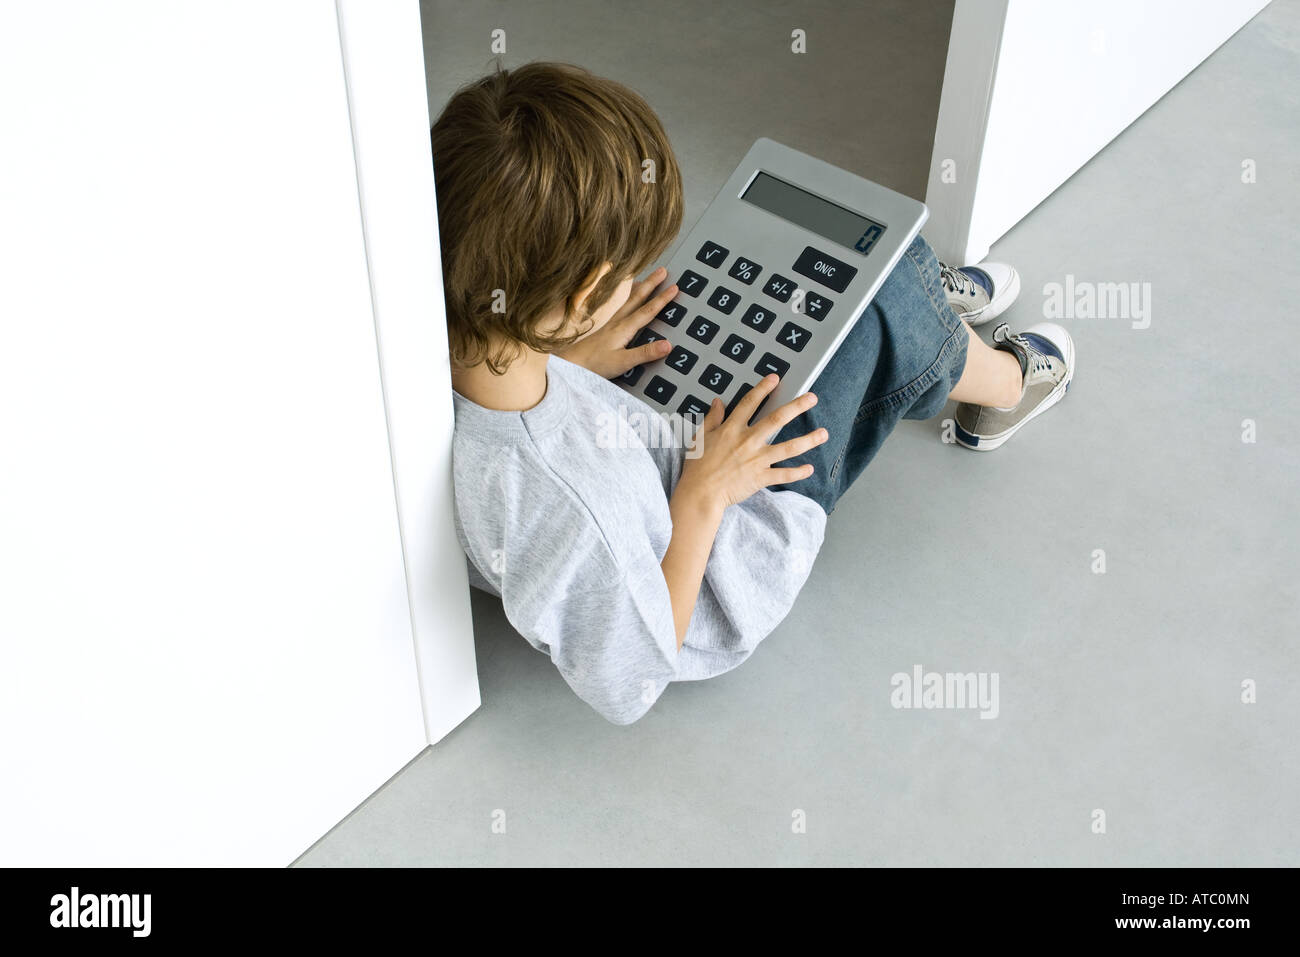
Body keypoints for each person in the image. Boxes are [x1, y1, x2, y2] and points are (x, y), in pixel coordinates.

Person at [434, 62, 1076, 724]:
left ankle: (929, 316)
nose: (637, 278)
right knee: (889, 280)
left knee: (856, 286)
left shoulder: (432, 356)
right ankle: (1001, 378)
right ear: (584, 294)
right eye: (623, 276)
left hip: (634, 429)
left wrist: (565, 356)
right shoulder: (576, 506)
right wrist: (705, 492)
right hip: (733, 541)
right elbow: (629, 676)